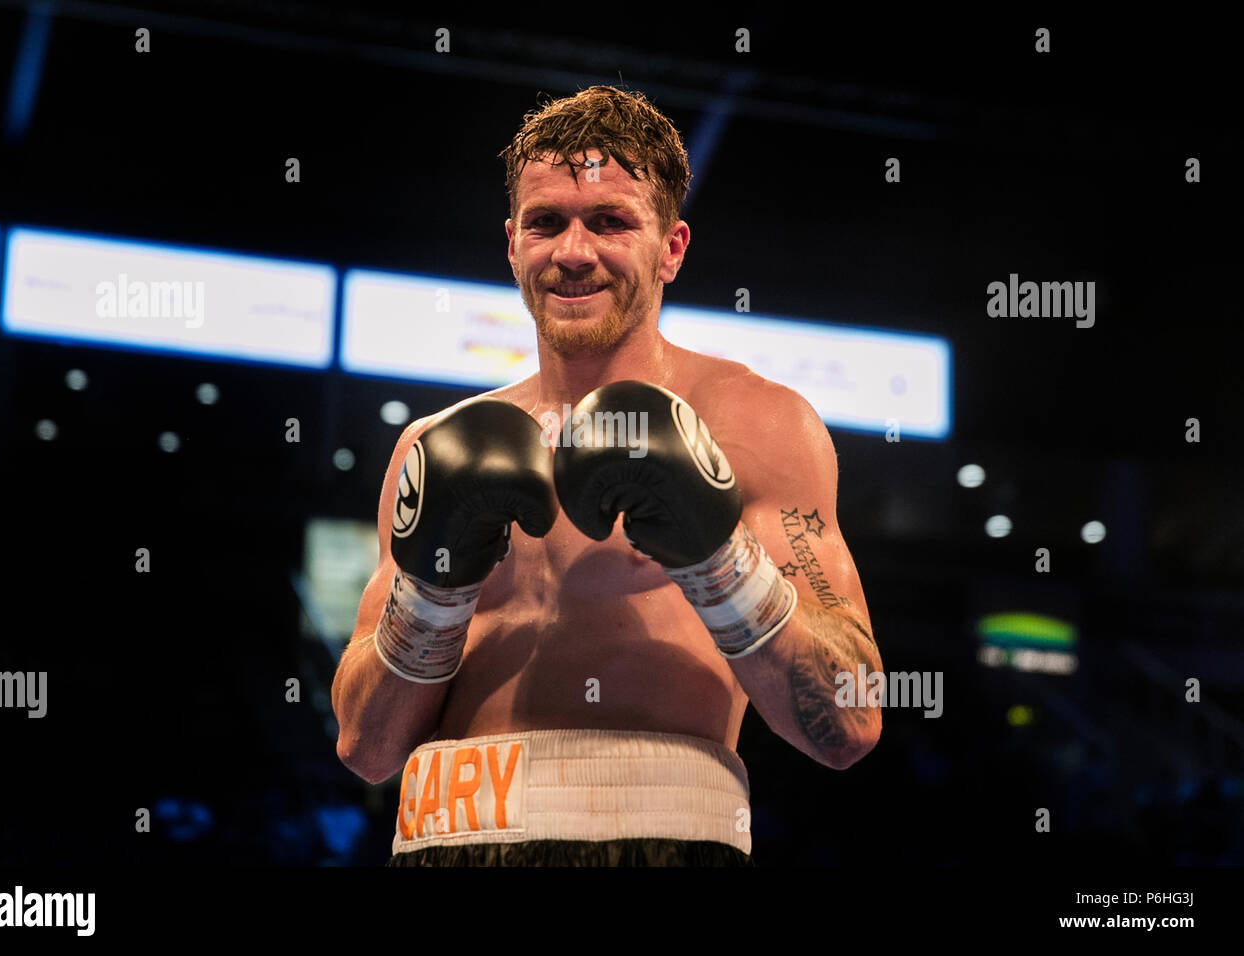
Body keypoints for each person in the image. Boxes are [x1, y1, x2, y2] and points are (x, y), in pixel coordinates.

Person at [331, 85, 882, 866]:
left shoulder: (756, 426)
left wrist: (717, 560)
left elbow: (850, 721)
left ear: (671, 248)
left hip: (661, 841)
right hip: (441, 837)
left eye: (610, 222)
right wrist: (431, 594)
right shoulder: (434, 446)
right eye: (546, 222)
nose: (573, 251)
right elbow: (365, 746)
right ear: (512, 245)